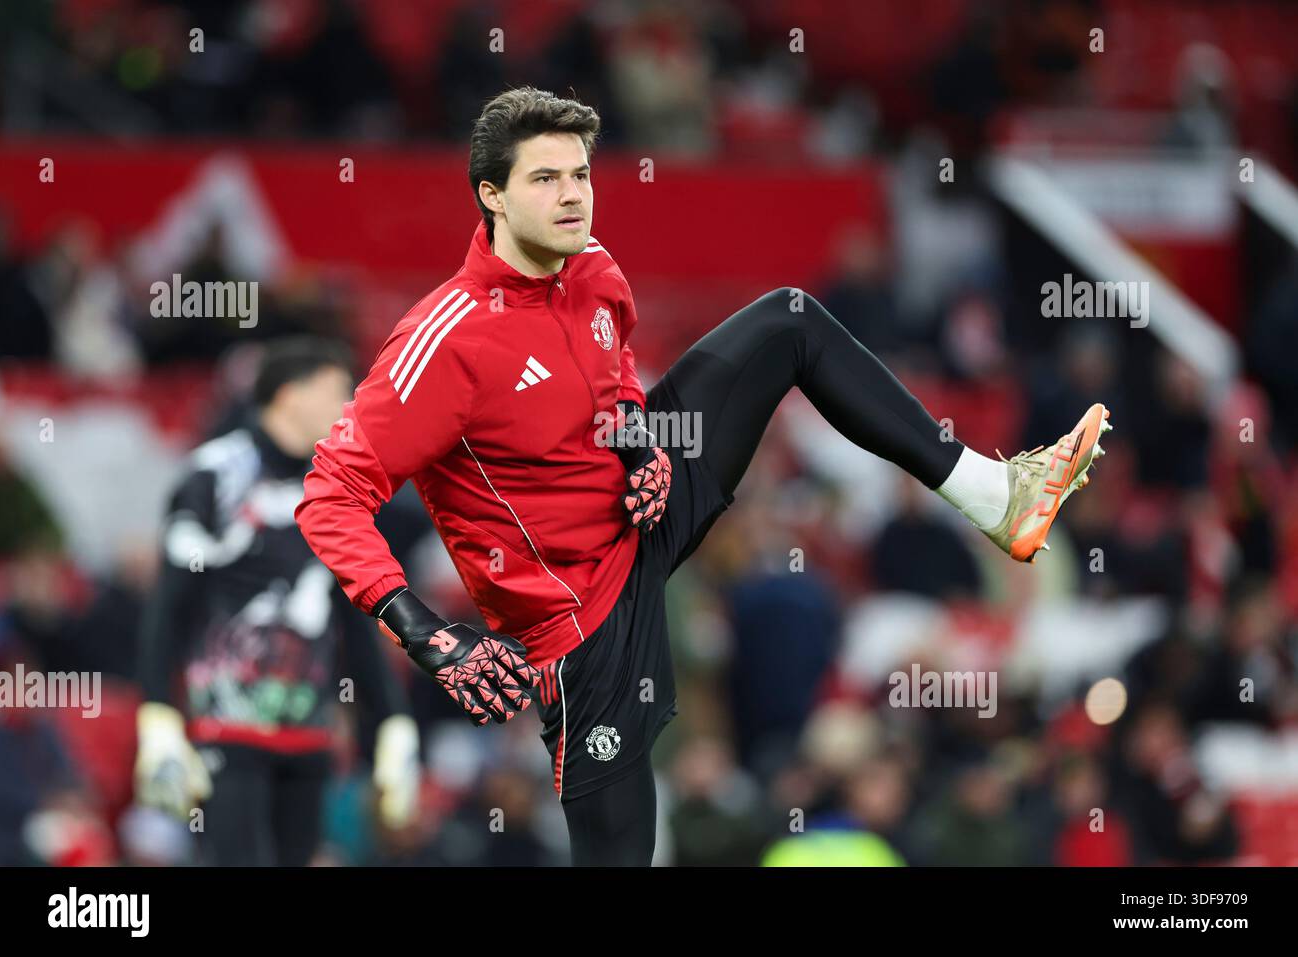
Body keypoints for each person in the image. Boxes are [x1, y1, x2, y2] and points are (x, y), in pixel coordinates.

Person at [295, 87, 1112, 866]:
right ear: (493, 198)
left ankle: (995, 495)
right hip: (580, 622)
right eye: (545, 178)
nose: (574, 195)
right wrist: (426, 632)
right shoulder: (443, 342)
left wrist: (641, 440)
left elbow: (611, 379)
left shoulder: (593, 269)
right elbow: (330, 494)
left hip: (642, 513)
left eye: (580, 172)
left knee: (789, 320)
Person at [135, 337, 419, 865]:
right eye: (340, 392)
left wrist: (390, 725)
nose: (353, 408)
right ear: (291, 395)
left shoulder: (339, 489)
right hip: (225, 724)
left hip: (308, 734)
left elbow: (355, 620)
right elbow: (168, 605)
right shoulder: (215, 475)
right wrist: (156, 715)